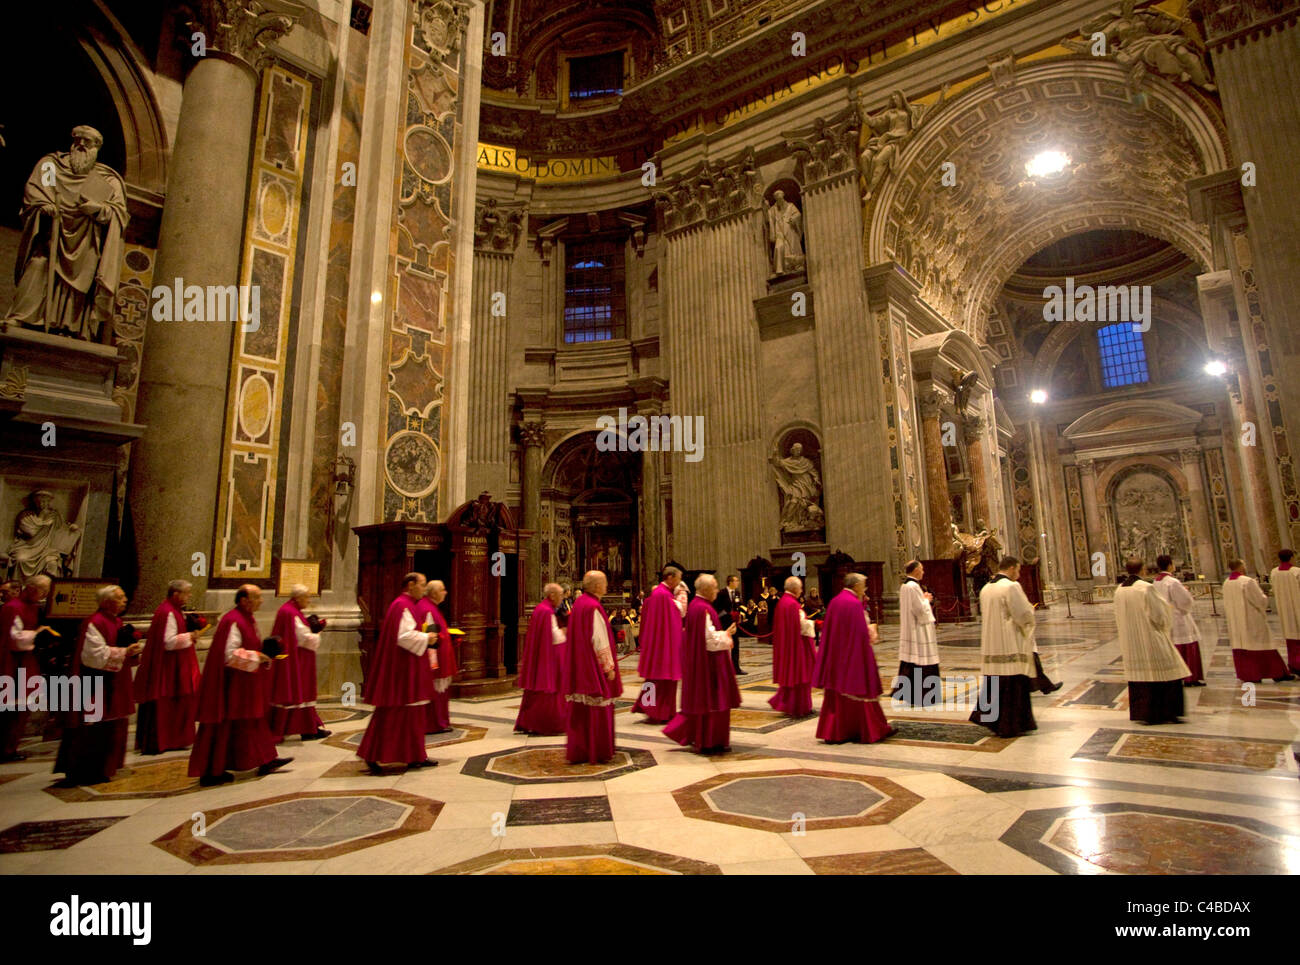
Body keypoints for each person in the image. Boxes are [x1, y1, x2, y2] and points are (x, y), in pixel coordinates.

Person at [189, 585, 292, 786]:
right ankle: (211, 771)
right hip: (230, 685)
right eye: (258, 597)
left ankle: (266, 759)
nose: (262, 601)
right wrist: (257, 656)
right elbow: (228, 655)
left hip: (244, 682)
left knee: (252, 721)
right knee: (227, 725)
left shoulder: (246, 618)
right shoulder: (232, 621)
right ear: (244, 600)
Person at [53, 586, 142, 785]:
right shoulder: (94, 622)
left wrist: (130, 651)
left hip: (112, 680)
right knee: (91, 727)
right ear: (106, 601)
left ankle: (103, 767)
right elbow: (92, 656)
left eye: (124, 597)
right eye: (120, 598)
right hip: (94, 682)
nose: (125, 600)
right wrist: (123, 653)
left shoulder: (116, 621)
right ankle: (84, 771)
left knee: (108, 726)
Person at [358, 572, 440, 773]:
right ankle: (375, 754)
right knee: (396, 714)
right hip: (403, 671)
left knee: (413, 715)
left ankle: (415, 755)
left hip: (411, 666)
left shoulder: (408, 605)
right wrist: (426, 637)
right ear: (411, 584)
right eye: (422, 584)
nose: (424, 589)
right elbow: (404, 636)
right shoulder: (402, 605)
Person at [812, 574, 894, 743]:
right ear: (856, 585)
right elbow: (861, 634)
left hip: (836, 657)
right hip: (853, 657)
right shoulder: (853, 604)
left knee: (837, 695)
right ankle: (868, 729)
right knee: (859, 691)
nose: (865, 589)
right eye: (864, 585)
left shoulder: (835, 601)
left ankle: (835, 732)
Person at [664, 574, 740, 753]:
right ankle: (710, 741)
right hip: (709, 666)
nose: (716, 591)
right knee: (712, 701)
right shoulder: (702, 608)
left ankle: (711, 739)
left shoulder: (697, 606)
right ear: (706, 589)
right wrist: (727, 635)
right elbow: (709, 640)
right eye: (714, 587)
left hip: (704, 663)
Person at [1115, 559, 1190, 724]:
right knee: (1167, 671)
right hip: (1151, 636)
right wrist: (1166, 622)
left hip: (1131, 639)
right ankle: (1166, 711)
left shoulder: (1120, 589)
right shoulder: (1146, 588)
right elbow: (1159, 615)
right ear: (1143, 570)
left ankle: (1143, 713)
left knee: (1140, 676)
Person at [969, 556, 1038, 737]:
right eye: (1019, 570)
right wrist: (1031, 612)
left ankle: (991, 718)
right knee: (1011, 685)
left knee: (995, 683)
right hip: (1009, 643)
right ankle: (1011, 724)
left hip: (992, 643)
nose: (1019, 574)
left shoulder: (986, 588)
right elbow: (1022, 613)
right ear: (1012, 568)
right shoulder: (1010, 587)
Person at [134, 579, 202, 754]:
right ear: (176, 594)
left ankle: (175, 739)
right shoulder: (168, 612)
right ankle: (167, 740)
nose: (189, 596)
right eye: (186, 593)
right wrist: (190, 637)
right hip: (168, 667)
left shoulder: (172, 610)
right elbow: (169, 642)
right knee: (168, 704)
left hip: (174, 665)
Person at [564, 570, 620, 764]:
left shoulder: (579, 603)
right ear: (597, 586)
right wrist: (608, 667)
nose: (606, 586)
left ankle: (581, 749)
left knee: (581, 708)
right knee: (597, 705)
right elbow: (599, 639)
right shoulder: (593, 607)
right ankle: (598, 749)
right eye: (604, 583)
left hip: (580, 664)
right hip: (592, 667)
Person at [267, 585, 330, 742]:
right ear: (299, 598)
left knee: (302, 693)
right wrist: (317, 633)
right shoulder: (290, 613)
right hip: (296, 659)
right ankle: (302, 729)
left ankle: (309, 728)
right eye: (307, 597)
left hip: (295, 658)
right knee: (297, 692)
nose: (309, 600)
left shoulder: (289, 610)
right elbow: (304, 638)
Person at [0, 575, 51, 762]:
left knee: (22, 708)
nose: (45, 594)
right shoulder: (12, 607)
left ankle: (11, 747)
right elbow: (15, 637)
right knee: (10, 709)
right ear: (30, 588)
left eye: (46, 590)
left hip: (26, 662)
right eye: (42, 590)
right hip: (11, 662)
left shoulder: (33, 607)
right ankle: (5, 749)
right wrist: (38, 634)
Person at [1222, 559, 1296, 683]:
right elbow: (1259, 599)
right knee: (1262, 644)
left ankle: (1249, 674)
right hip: (1252, 618)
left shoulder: (1227, 582)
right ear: (1240, 567)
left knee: (1244, 646)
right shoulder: (1247, 581)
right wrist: (1265, 601)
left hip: (1235, 621)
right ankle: (1276, 672)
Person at [633, 566, 686, 723]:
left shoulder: (664, 594)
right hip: (663, 646)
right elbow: (665, 623)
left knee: (660, 681)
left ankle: (657, 710)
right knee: (658, 680)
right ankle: (655, 711)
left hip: (662, 644)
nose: (679, 582)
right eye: (678, 578)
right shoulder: (662, 595)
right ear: (669, 577)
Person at [515, 583, 568, 735]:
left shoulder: (541, 609)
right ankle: (548, 723)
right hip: (548, 659)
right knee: (548, 691)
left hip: (540, 657)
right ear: (552, 595)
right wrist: (565, 632)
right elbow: (554, 636)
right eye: (560, 595)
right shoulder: (546, 612)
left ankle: (529, 721)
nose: (562, 598)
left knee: (535, 691)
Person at [1152, 554, 1205, 685]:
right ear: (1170, 565)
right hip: (1178, 617)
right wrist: (1186, 594)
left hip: (1165, 617)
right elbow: (1184, 601)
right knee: (1186, 646)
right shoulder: (1172, 582)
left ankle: (1176, 675)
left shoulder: (1156, 581)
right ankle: (1190, 677)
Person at [894, 561, 940, 707]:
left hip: (910, 628)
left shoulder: (904, 586)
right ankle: (924, 696)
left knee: (911, 660)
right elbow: (920, 610)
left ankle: (909, 694)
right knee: (922, 660)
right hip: (919, 630)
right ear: (914, 571)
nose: (923, 572)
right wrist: (926, 600)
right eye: (921, 569)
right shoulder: (913, 587)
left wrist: (923, 599)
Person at [769, 576, 815, 716]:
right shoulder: (793, 604)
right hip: (797, 646)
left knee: (791, 676)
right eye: (800, 588)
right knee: (801, 675)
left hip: (786, 645)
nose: (801, 591)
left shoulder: (783, 602)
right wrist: (814, 624)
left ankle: (788, 704)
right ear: (795, 588)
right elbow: (802, 626)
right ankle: (800, 707)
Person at [418, 580, 456, 734]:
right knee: (436, 692)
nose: (445, 592)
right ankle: (435, 723)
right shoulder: (428, 609)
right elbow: (430, 638)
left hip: (438, 657)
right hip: (434, 660)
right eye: (443, 589)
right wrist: (434, 665)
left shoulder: (431, 607)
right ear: (434, 593)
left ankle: (439, 722)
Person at [1269, 549, 1300, 675]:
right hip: (1298, 606)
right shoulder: (1296, 572)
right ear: (1291, 557)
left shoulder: (1274, 572)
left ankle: (1294, 664)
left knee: (1291, 637)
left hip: (1284, 608)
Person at [718, 575, 746, 674]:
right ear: (730, 582)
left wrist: (740, 615)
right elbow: (718, 608)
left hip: (734, 623)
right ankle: (723, 668)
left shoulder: (737, 593)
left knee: (735, 645)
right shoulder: (722, 593)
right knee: (724, 645)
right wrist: (727, 615)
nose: (737, 582)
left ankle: (736, 668)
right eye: (736, 581)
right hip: (724, 623)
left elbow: (739, 606)